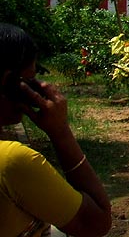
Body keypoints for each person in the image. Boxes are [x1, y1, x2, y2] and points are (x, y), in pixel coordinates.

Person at [0, 23, 112, 237]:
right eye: (30, 81)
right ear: (9, 82)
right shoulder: (11, 162)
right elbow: (95, 223)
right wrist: (60, 132)